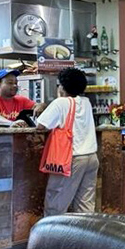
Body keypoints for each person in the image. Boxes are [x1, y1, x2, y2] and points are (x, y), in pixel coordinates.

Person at [35, 68, 99, 215]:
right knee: (85, 205)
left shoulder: (61, 102)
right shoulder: (86, 102)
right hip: (91, 157)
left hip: (71, 159)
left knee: (56, 203)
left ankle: (53, 230)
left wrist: (43, 107)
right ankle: (85, 230)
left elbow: (41, 126)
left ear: (62, 87)